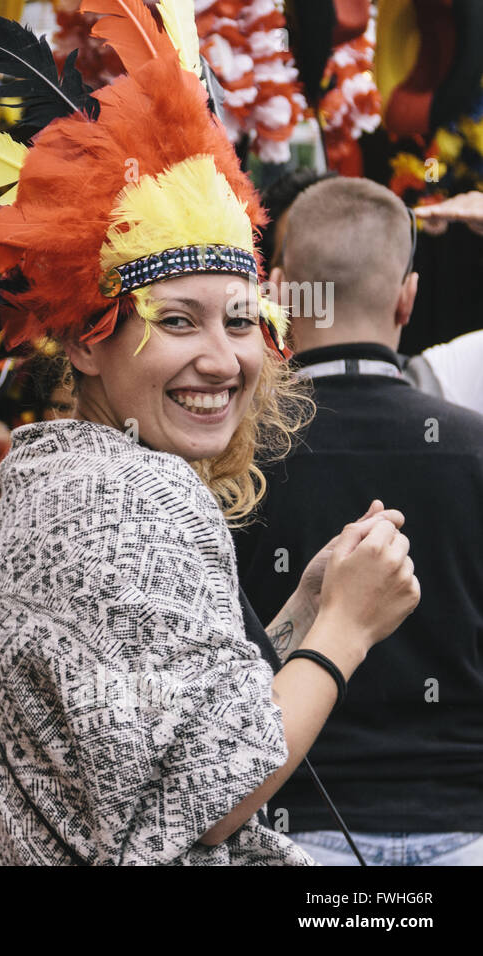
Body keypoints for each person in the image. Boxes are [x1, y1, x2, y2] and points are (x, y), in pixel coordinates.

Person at [0, 5, 419, 864]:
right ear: (88, 341)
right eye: (177, 321)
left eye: (242, 321)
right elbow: (207, 798)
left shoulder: (76, 482)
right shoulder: (130, 495)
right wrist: (345, 629)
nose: (223, 358)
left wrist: (296, 617)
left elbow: (153, 737)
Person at [238, 175, 483, 865]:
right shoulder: (474, 446)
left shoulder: (231, 458)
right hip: (464, 823)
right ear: (407, 297)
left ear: (279, 293)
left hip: (286, 822)